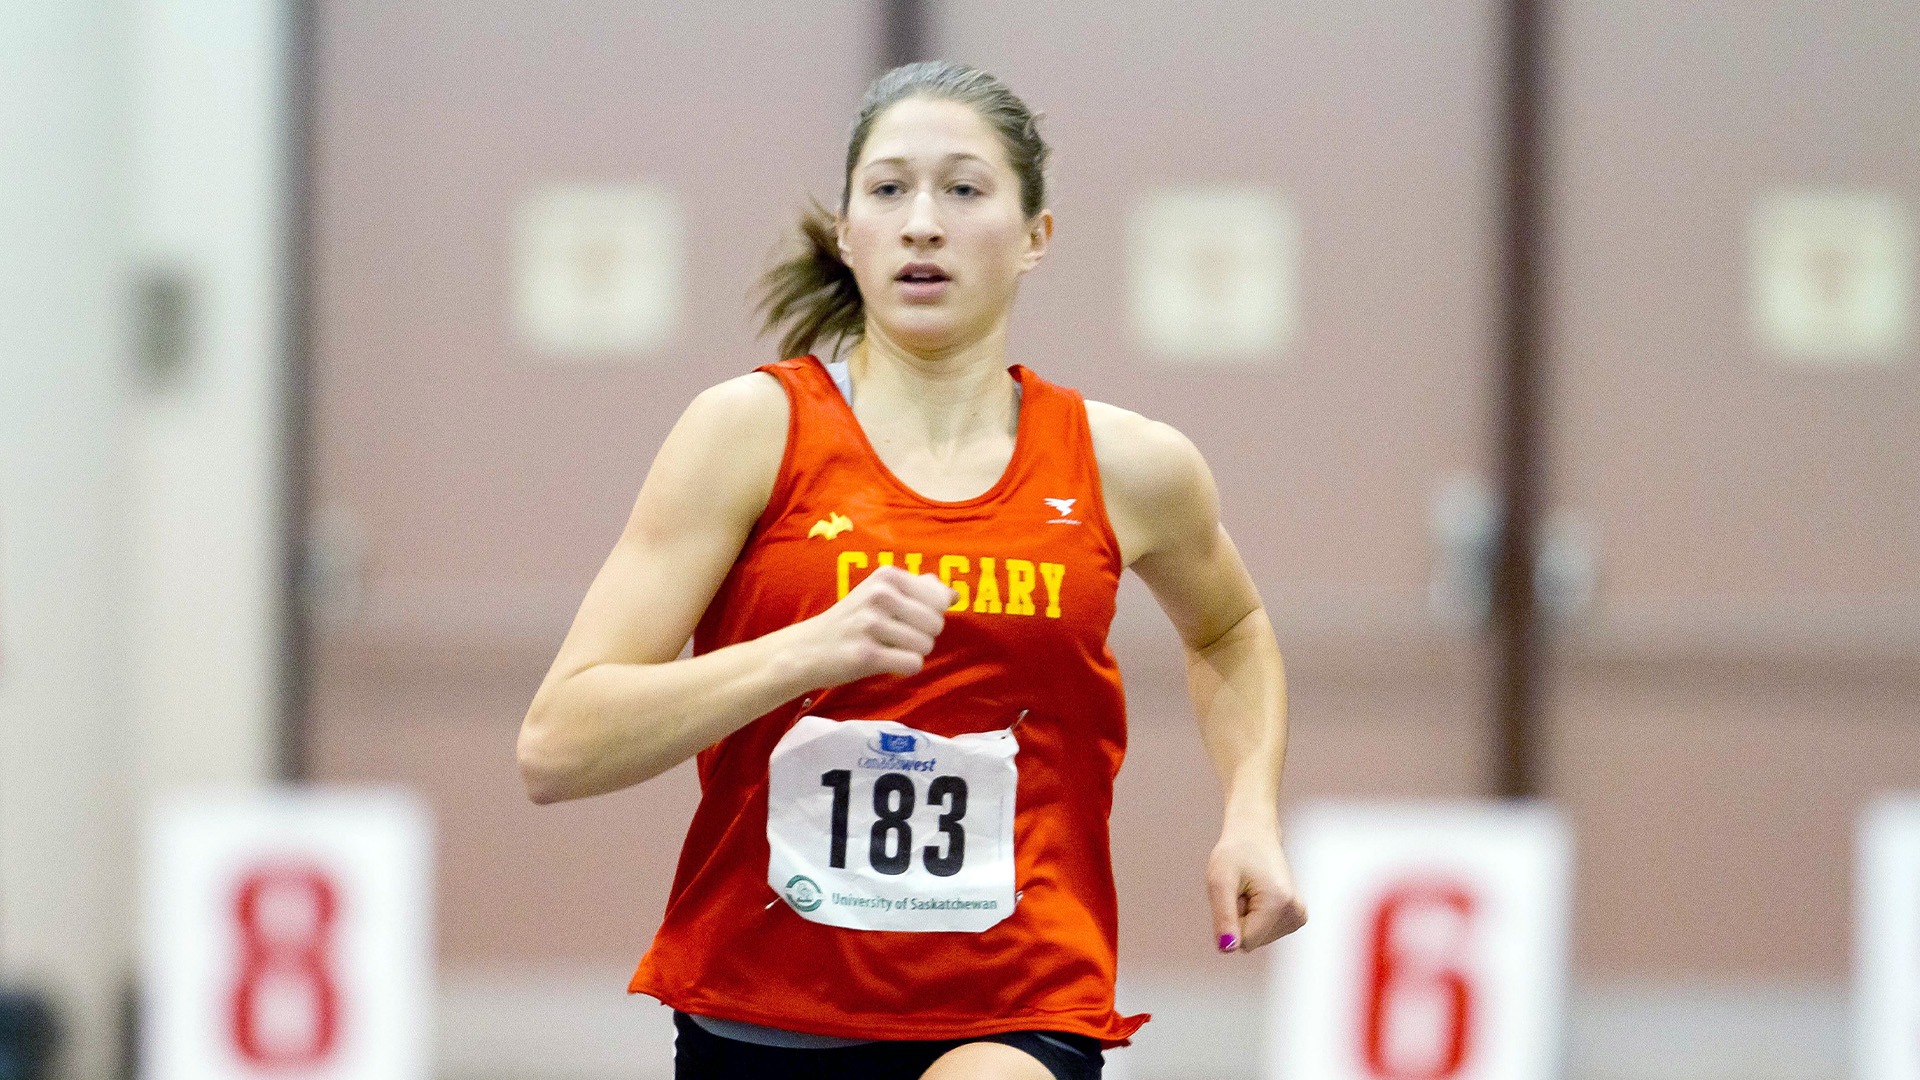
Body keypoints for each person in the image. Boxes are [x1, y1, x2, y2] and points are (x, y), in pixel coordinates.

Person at [517, 61, 1306, 1080]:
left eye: (965, 190)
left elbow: (1230, 631)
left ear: (1036, 238)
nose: (923, 223)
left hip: (1018, 992)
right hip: (767, 1006)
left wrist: (1250, 812)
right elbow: (557, 747)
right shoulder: (748, 434)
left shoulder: (1131, 466)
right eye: (889, 191)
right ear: (849, 234)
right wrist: (807, 649)